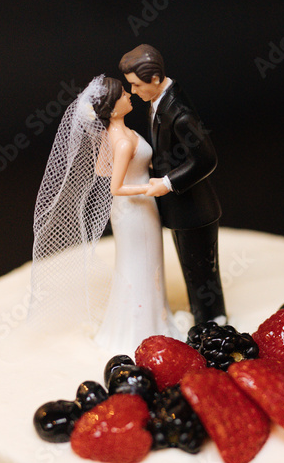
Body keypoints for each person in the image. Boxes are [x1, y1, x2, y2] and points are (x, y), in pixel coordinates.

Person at [31, 75, 177, 352]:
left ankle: (147, 323)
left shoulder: (110, 135)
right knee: (143, 264)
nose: (129, 95)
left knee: (138, 264)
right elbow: (116, 186)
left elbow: (101, 169)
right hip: (137, 210)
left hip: (129, 211)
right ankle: (146, 331)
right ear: (111, 110)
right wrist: (149, 187)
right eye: (123, 94)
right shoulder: (122, 142)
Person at [119, 44, 226, 325]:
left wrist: (167, 182)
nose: (132, 92)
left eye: (135, 85)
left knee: (201, 269)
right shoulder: (158, 102)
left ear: (154, 79)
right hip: (179, 208)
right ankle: (202, 315)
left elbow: (206, 159)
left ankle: (213, 320)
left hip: (194, 207)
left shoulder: (180, 113)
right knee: (190, 267)